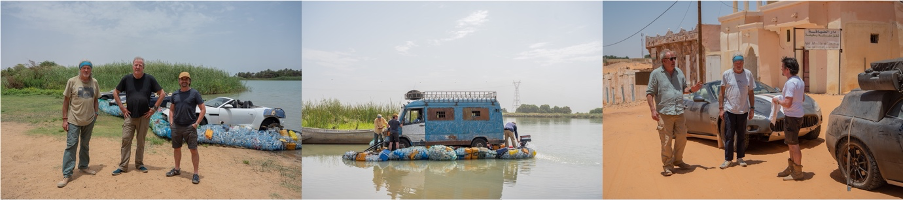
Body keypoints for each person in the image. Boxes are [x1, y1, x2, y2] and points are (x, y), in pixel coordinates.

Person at [645, 49, 703, 176]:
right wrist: (652, 110)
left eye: (674, 58)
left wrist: (692, 89)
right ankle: (667, 165)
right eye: (671, 59)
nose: (674, 61)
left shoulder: (679, 73)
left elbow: (684, 89)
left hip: (679, 111)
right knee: (666, 141)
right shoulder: (656, 74)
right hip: (664, 113)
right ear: (664, 61)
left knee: (682, 137)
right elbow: (649, 93)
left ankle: (678, 160)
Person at [112, 56, 166, 176]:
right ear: (133, 66)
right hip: (129, 115)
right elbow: (115, 92)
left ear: (143, 67)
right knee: (126, 140)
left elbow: (162, 93)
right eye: (136, 65)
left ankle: (139, 164)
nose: (137, 67)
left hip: (144, 116)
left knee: (140, 141)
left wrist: (154, 109)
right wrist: (122, 107)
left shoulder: (149, 79)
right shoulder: (126, 79)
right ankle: (123, 166)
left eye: (140, 65)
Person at [58, 60, 100, 188]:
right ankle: (67, 174)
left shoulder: (95, 82)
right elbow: (66, 101)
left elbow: (96, 99)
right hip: (74, 120)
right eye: (84, 68)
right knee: (71, 145)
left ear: (91, 70)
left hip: (89, 120)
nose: (86, 70)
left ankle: (83, 166)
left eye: (88, 68)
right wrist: (65, 119)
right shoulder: (72, 81)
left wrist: (96, 114)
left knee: (85, 144)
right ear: (80, 69)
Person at [165, 72, 206, 184]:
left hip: (190, 127)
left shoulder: (194, 93)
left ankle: (196, 173)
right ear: (179, 81)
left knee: (193, 150)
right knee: (176, 148)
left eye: (186, 79)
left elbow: (203, 109)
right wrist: (171, 123)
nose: (184, 81)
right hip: (177, 126)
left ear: (189, 81)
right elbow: (171, 110)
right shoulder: (175, 94)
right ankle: (177, 169)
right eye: (182, 79)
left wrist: (196, 123)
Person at [718, 55, 756, 169]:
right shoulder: (726, 74)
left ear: (743, 63)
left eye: (740, 62)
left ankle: (740, 158)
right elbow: (721, 93)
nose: (738, 65)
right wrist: (721, 108)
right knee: (729, 135)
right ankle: (728, 159)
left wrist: (752, 108)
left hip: (743, 110)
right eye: (736, 63)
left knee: (741, 135)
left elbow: (751, 93)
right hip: (729, 110)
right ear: (733, 63)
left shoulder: (748, 74)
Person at [773, 57, 806, 181]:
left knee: (794, 145)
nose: (781, 69)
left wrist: (777, 100)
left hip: (792, 116)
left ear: (787, 69)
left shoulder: (790, 83)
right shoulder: (800, 81)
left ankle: (798, 172)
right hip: (796, 115)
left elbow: (787, 103)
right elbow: (801, 99)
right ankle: (791, 168)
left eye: (782, 67)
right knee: (791, 144)